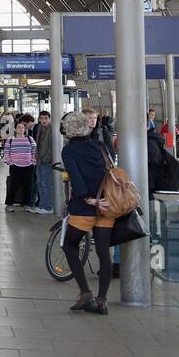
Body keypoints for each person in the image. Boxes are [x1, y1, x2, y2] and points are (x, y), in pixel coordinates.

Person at [60, 111, 114, 315]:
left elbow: (76, 176)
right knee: (103, 253)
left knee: (69, 245)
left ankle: (85, 293)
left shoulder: (69, 150)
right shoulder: (98, 146)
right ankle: (102, 301)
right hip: (107, 205)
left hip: (86, 207)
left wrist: (87, 198)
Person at [3, 119, 38, 211]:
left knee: (28, 186)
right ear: (15, 129)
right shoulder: (10, 140)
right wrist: (10, 161)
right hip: (15, 166)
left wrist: (33, 160)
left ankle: (26, 204)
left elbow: (34, 150)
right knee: (14, 185)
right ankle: (9, 204)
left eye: (22, 127)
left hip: (28, 166)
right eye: (19, 127)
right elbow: (6, 152)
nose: (21, 129)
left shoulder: (30, 139)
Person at [31, 110, 55, 214]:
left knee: (46, 184)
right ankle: (42, 204)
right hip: (39, 160)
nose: (43, 120)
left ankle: (48, 207)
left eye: (46, 118)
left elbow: (51, 147)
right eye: (42, 118)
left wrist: (46, 158)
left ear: (49, 119)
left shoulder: (52, 129)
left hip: (47, 161)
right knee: (39, 183)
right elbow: (38, 144)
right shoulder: (40, 128)